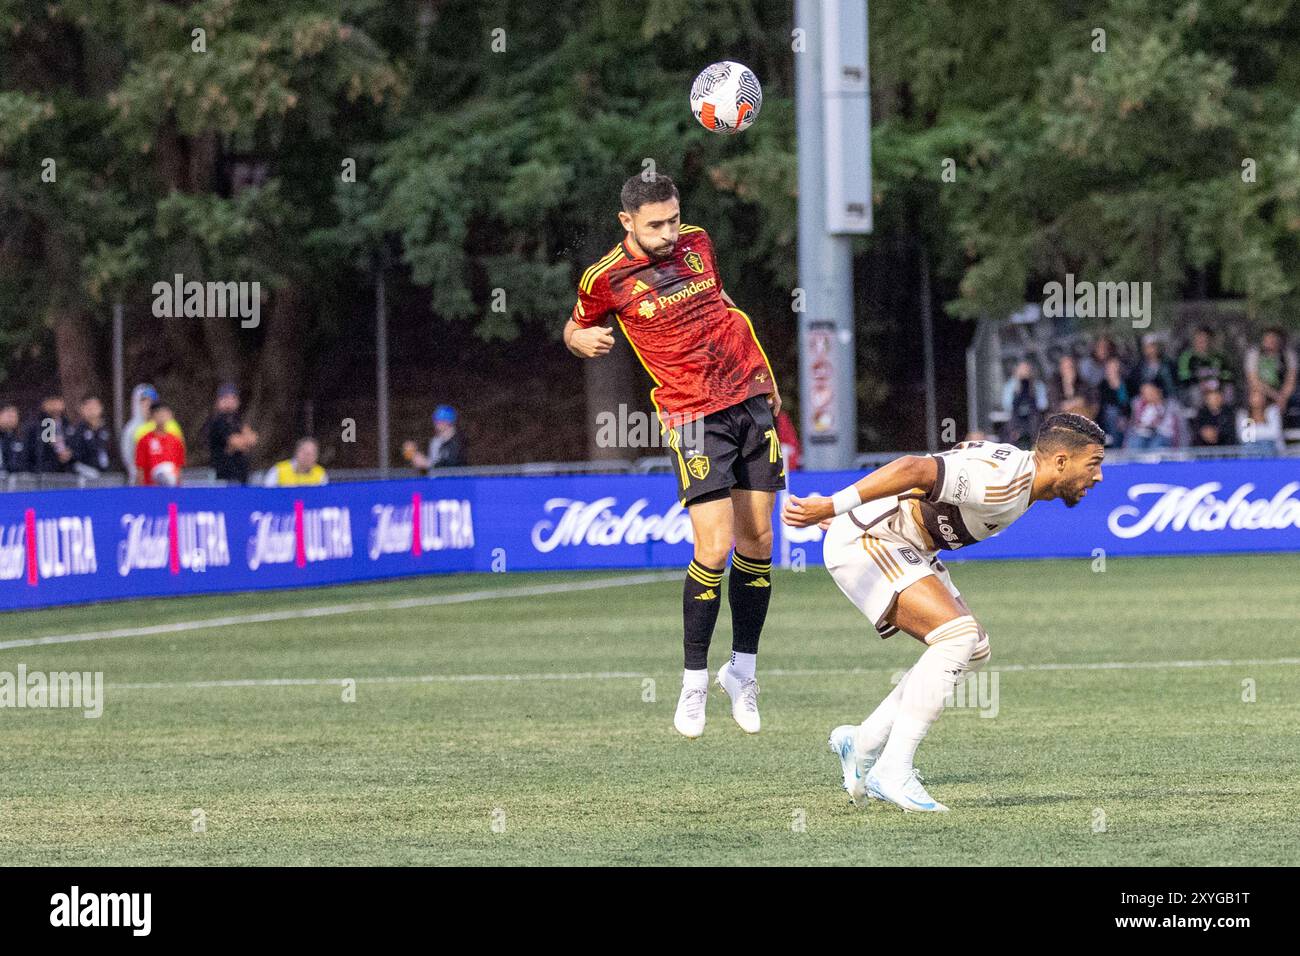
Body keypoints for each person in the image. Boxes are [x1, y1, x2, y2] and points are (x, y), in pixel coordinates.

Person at [782, 413, 1105, 812]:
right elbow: (912, 467)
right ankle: (892, 770)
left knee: (975, 648)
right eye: (1094, 463)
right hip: (870, 539)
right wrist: (835, 506)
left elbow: (946, 467)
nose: (1100, 476)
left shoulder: (1020, 477)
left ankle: (863, 741)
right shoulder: (1002, 483)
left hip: (906, 544)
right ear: (1060, 461)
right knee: (957, 636)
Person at [564, 172, 785, 739]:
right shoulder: (605, 278)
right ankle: (693, 682)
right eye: (656, 224)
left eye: (673, 219)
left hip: (749, 396)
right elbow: (577, 324)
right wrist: (578, 339)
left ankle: (745, 671)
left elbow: (722, 303)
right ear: (628, 222)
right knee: (714, 544)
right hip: (689, 415)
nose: (668, 233)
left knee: (759, 540)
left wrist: (764, 371)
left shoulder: (699, 242)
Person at [1244, 328, 1298, 426]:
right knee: (1257, 399)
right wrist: (1276, 396)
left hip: (1282, 392)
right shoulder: (1255, 353)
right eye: (1268, 339)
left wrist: (1283, 397)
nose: (1271, 342)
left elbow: (1291, 380)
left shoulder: (1288, 355)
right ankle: (1253, 431)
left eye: (1274, 339)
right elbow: (1253, 380)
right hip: (1262, 390)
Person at [207, 384, 257, 484]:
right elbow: (235, 442)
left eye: (233, 398)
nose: (230, 402)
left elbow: (253, 439)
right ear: (218, 401)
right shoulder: (217, 421)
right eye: (225, 398)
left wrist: (243, 441)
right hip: (224, 478)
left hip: (242, 476)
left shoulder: (237, 420)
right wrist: (243, 442)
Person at [1177, 326, 1235, 405]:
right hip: (1196, 388)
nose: (1203, 343)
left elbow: (1227, 375)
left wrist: (1217, 384)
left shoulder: (1220, 357)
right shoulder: (1187, 357)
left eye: (1205, 340)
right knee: (1195, 392)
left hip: (1216, 388)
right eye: (1199, 340)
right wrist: (1201, 383)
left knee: (1229, 389)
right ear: (1194, 341)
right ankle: (1196, 414)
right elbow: (1184, 377)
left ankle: (1226, 411)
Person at [135, 402, 186, 485]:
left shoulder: (176, 440)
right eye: (158, 413)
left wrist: (178, 488)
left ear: (170, 415)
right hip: (151, 489)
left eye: (164, 413)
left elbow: (179, 468)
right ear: (152, 416)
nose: (162, 417)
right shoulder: (144, 440)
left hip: (171, 491)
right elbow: (140, 469)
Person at [402, 405, 467, 471]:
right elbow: (428, 465)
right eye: (436, 420)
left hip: (453, 479)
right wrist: (414, 457)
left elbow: (452, 466)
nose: (437, 423)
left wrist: (427, 464)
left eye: (441, 421)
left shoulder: (458, 442)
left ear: (449, 422)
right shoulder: (435, 441)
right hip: (435, 479)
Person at [1000, 359, 1047, 448]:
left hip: (1033, 418)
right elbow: (1007, 405)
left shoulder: (1038, 385)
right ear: (1016, 371)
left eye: (1027, 370)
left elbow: (1043, 405)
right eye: (1022, 370)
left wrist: (1032, 390)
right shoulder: (1010, 385)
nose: (1024, 373)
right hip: (1016, 419)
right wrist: (1017, 389)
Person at [23, 395, 75, 474]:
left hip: (67, 472)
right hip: (45, 473)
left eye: (57, 401)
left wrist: (70, 454)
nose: (55, 406)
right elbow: (32, 451)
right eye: (51, 402)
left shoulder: (68, 424)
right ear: (44, 404)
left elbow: (76, 447)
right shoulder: (35, 426)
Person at [1124, 382, 1182, 449]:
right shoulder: (1143, 406)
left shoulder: (1170, 405)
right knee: (1135, 441)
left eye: (1150, 392)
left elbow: (1176, 429)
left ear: (1158, 391)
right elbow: (1137, 425)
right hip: (1146, 435)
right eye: (1144, 393)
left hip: (1164, 435)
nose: (1146, 396)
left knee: (1156, 444)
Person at [68, 395, 113, 477]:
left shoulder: (108, 430)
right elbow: (73, 457)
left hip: (106, 475)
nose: (91, 409)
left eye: (94, 406)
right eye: (88, 406)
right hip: (84, 477)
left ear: (101, 407)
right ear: (81, 409)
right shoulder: (76, 431)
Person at [1127, 333, 1179, 400]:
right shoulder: (1138, 368)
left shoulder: (1169, 364)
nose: (1151, 350)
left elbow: (1174, 385)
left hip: (1170, 399)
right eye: (1148, 347)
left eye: (1153, 346)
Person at [1094, 356, 1131, 447]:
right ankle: (1116, 447)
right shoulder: (1103, 385)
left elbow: (1128, 403)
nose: (1114, 370)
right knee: (1112, 412)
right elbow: (1106, 403)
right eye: (1111, 367)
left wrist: (1124, 416)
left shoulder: (1127, 384)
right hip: (1107, 417)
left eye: (1116, 367)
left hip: (1125, 415)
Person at [1237, 384, 1284, 455]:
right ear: (1248, 398)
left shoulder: (1272, 411)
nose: (1257, 398)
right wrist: (1265, 429)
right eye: (1254, 394)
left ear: (1264, 397)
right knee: (1249, 446)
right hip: (1251, 450)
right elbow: (1243, 436)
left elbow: (1275, 433)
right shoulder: (1243, 414)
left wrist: (1253, 431)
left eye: (1260, 394)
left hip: (1272, 449)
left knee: (1266, 445)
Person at [0, 403, 25, 475]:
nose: (12, 419)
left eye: (15, 416)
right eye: (9, 416)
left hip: (14, 479)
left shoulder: (20, 438)